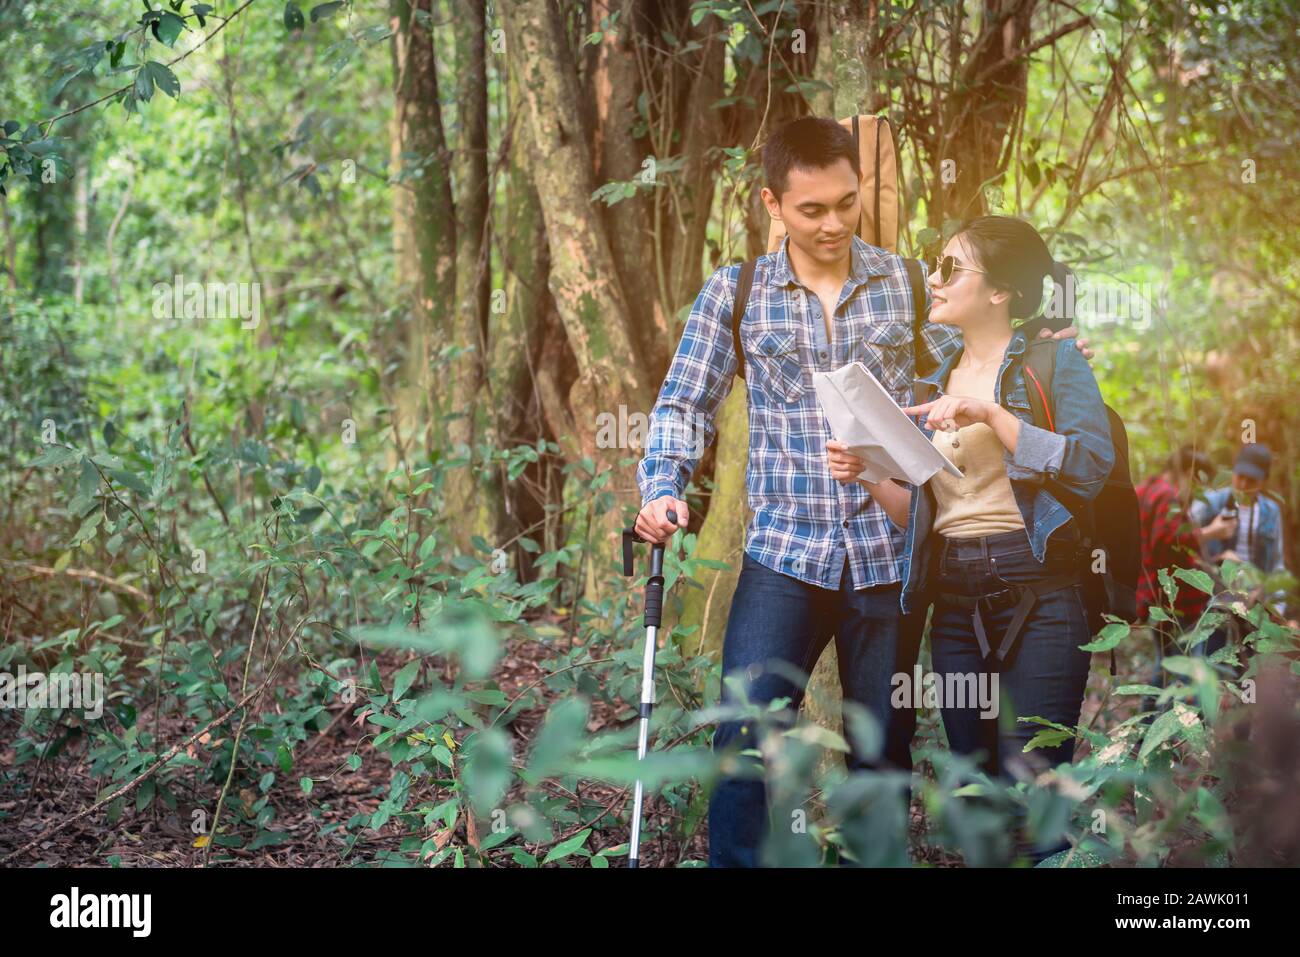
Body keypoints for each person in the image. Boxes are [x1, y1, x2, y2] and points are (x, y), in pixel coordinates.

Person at [634, 118, 1088, 867]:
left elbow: (988, 354)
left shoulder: (908, 284)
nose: (834, 223)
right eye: (812, 209)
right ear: (772, 204)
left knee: (882, 749)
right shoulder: (738, 290)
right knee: (744, 735)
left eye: (847, 203)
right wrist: (663, 488)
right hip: (783, 553)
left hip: (891, 559)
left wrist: (1053, 346)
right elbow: (685, 404)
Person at [827, 215, 1110, 863]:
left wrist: (992, 414)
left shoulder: (1055, 359)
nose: (934, 276)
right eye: (936, 263)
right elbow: (924, 518)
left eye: (951, 267)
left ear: (1000, 291)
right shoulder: (934, 381)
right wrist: (868, 473)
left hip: (1039, 595)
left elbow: (1091, 465)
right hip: (955, 605)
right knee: (978, 792)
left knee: (1036, 794)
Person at [1134, 446, 1233, 701]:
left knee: (1168, 668)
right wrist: (1212, 531)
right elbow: (1168, 542)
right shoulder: (1166, 495)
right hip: (1171, 601)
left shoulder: (1146, 488)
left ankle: (1147, 736)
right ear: (1191, 473)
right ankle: (1157, 736)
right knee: (1179, 672)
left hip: (1154, 596)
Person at [1189, 443, 1290, 646]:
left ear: (1263, 482)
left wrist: (1274, 605)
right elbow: (1180, 543)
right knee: (1211, 663)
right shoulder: (1210, 502)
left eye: (1251, 479)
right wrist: (1216, 554)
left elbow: (1276, 564)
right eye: (1239, 476)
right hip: (1213, 602)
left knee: (1247, 668)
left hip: (1253, 606)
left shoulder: (1271, 512)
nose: (1243, 484)